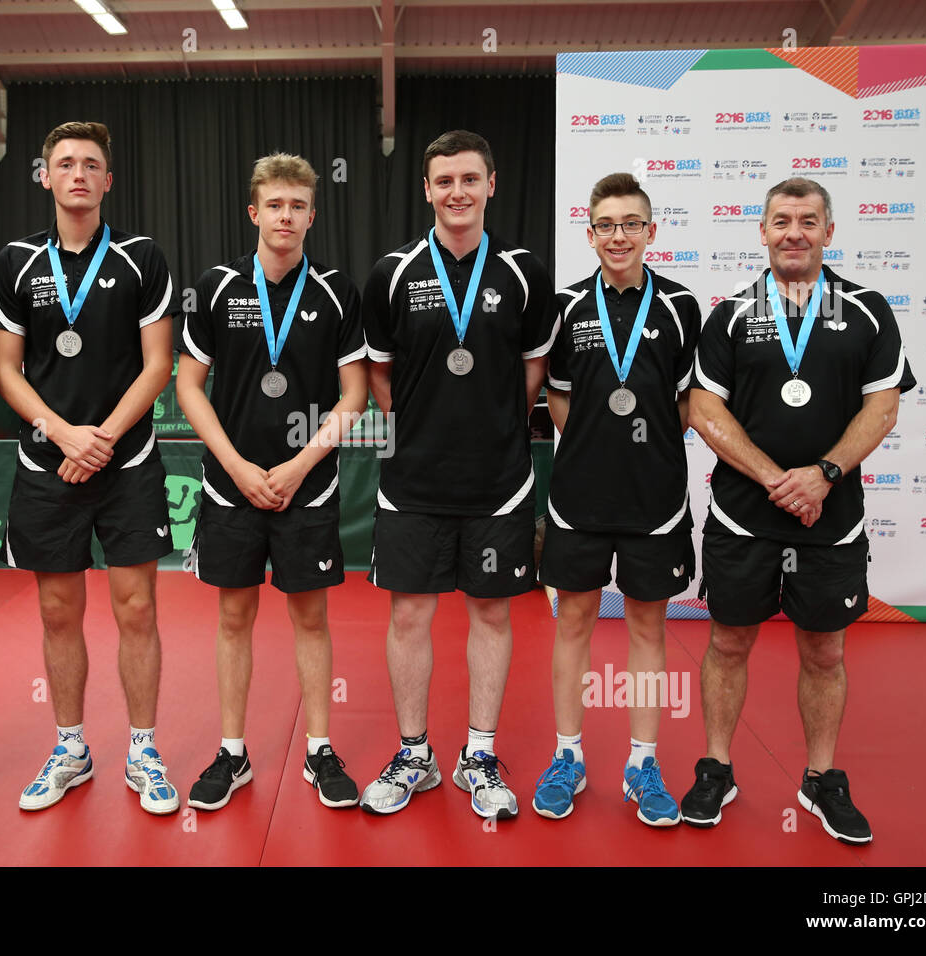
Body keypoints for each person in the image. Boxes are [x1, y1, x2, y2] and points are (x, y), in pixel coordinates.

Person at [685, 177, 915, 843]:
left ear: (828, 232)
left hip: (832, 519)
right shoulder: (729, 314)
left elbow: (884, 405)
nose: (793, 232)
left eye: (807, 221)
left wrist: (824, 475)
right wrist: (775, 480)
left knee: (824, 649)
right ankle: (717, 767)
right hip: (741, 518)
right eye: (781, 220)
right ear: (761, 231)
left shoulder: (869, 312)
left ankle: (821, 779)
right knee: (728, 641)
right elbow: (704, 408)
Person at [359, 130, 555, 819]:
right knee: (409, 613)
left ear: (491, 185)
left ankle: (479, 754)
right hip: (412, 479)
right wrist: (416, 428)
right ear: (427, 189)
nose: (457, 192)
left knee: (490, 612)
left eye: (469, 179)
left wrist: (499, 422)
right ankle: (416, 753)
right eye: (444, 181)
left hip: (499, 480)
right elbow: (379, 370)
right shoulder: (393, 272)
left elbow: (534, 365)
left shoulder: (525, 271)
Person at [0, 121, 179, 815]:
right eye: (64, 163)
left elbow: (159, 363)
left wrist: (100, 440)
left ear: (107, 180)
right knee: (58, 609)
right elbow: (6, 370)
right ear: (45, 177)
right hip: (47, 464)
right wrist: (63, 434)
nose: (77, 174)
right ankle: (71, 746)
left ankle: (144, 749)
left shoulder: (141, 258)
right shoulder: (15, 262)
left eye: (90, 164)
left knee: (137, 607)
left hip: (126, 464)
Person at [176, 153, 368, 810]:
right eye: (274, 205)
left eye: (297, 206)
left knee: (311, 616)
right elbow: (187, 386)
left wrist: (296, 466)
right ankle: (233, 753)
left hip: (305, 484)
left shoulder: (337, 291)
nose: (285, 216)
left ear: (312, 215)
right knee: (233, 616)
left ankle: (319, 748)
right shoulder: (219, 286)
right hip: (232, 485)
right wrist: (235, 465)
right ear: (254, 212)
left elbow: (354, 396)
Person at [533, 173, 700, 826]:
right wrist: (600, 450)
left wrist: (643, 447)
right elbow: (561, 400)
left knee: (646, 628)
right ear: (591, 234)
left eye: (631, 223)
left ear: (651, 232)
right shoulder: (568, 308)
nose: (619, 235)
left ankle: (642, 762)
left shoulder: (682, 307)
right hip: (579, 500)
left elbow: (687, 405)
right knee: (572, 623)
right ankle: (567, 756)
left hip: (655, 502)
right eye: (606, 224)